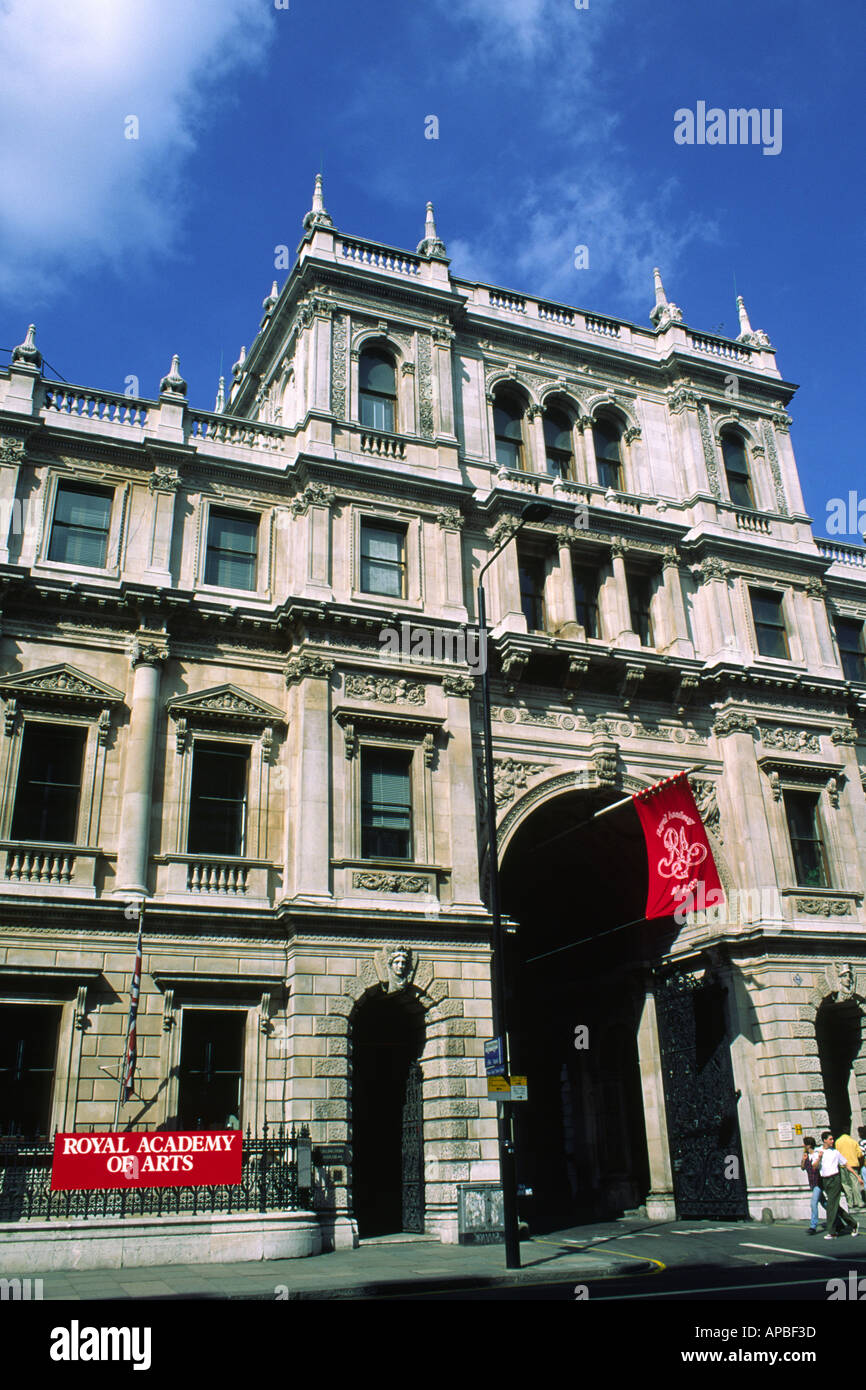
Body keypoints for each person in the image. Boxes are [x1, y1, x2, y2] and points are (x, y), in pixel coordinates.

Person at [813, 1131, 859, 1239]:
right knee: (834, 1206)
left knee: (830, 1205)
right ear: (824, 1140)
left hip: (835, 1179)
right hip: (825, 1180)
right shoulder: (818, 1151)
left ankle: (832, 1232)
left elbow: (846, 1164)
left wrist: (858, 1177)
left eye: (832, 1139)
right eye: (830, 1139)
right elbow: (814, 1166)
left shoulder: (836, 1152)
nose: (832, 1141)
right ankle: (854, 1224)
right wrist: (819, 1157)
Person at [835, 1132, 865, 1214]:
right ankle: (859, 1201)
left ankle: (850, 1202)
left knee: (846, 1184)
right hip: (853, 1164)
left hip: (842, 1166)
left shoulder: (838, 1142)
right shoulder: (853, 1141)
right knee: (855, 1183)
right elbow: (859, 1154)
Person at [801, 1137, 826, 1234]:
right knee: (825, 1204)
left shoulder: (816, 1155)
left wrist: (818, 1158)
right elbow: (802, 1168)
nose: (803, 1146)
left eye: (805, 1144)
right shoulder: (806, 1155)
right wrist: (803, 1160)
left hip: (818, 1182)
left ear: (809, 1145)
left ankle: (813, 1226)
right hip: (812, 1183)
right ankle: (838, 1219)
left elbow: (816, 1167)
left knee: (813, 1203)